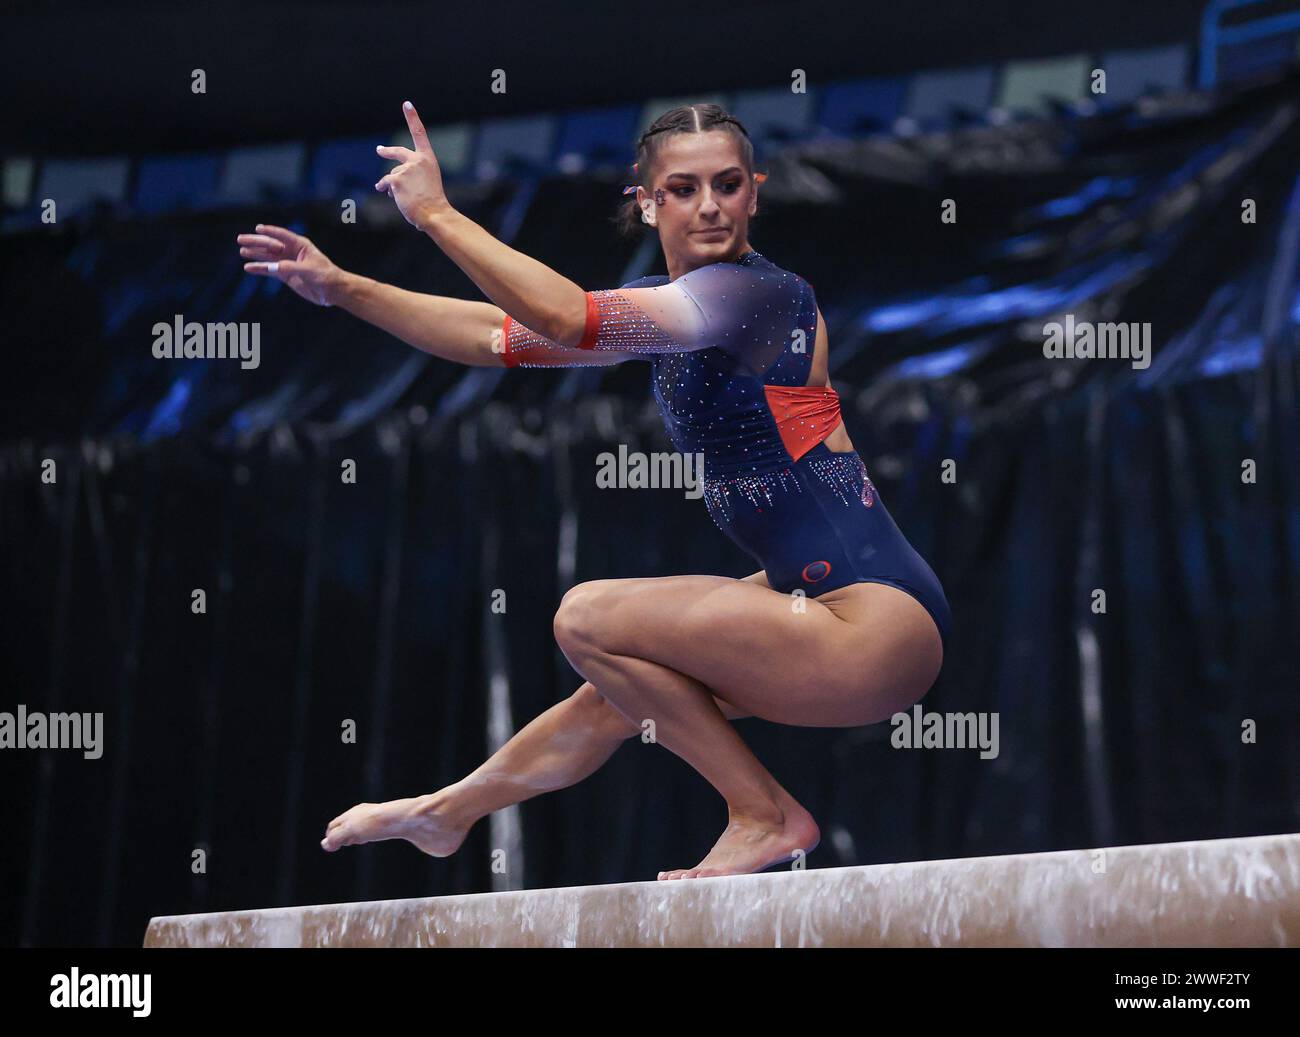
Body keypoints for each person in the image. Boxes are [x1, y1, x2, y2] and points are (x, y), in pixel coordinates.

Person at [238, 101, 952, 880]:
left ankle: (766, 813)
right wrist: (344, 287)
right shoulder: (678, 309)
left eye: (728, 184)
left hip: (873, 623)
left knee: (588, 618)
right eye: (682, 187)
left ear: (756, 192)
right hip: (823, 610)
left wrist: (437, 214)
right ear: (645, 201)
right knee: (616, 692)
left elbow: (569, 316)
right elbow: (493, 336)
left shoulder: (756, 297)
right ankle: (449, 812)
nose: (709, 204)